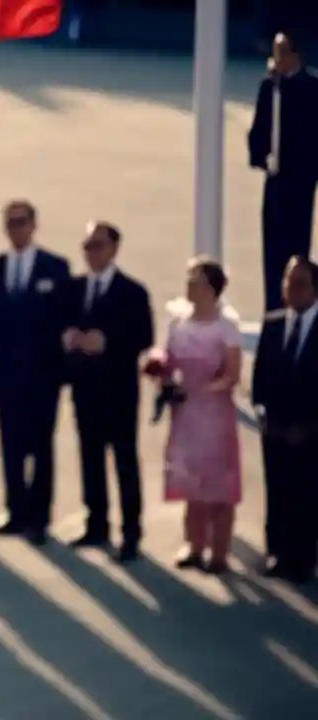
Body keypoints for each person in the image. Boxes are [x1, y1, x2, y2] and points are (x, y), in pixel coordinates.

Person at [0, 200, 70, 545]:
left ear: (34, 225)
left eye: (21, 222)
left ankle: (39, 517)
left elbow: (60, 317)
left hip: (43, 375)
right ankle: (15, 509)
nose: (16, 229)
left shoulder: (55, 267)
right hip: (6, 373)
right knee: (11, 445)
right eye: (10, 223)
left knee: (41, 446)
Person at [64, 222, 154, 563]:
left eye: (98, 245)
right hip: (85, 389)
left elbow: (143, 336)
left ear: (114, 248)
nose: (91, 252)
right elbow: (58, 322)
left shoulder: (132, 292)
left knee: (124, 460)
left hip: (118, 391)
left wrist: (107, 343)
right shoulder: (75, 288)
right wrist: (69, 337)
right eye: (87, 246)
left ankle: (131, 533)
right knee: (90, 459)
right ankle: (96, 523)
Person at [157, 259, 244, 574]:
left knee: (218, 486)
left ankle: (219, 552)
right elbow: (168, 363)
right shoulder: (178, 323)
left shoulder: (226, 327)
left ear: (211, 289)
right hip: (186, 415)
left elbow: (232, 375)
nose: (189, 286)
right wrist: (162, 377)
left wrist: (202, 390)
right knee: (191, 484)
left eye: (195, 281)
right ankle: (194, 545)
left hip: (214, 415)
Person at [252, 256, 318, 583]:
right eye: (287, 282)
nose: (290, 290)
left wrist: (307, 427)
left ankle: (304, 558)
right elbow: (260, 378)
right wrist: (263, 414)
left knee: (307, 494)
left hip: (310, 434)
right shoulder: (274, 323)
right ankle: (277, 551)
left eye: (299, 283)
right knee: (277, 490)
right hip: (276, 431)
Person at [248, 32, 318, 311]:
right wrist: (260, 157)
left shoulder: (312, 88)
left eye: (282, 53)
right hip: (275, 175)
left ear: (295, 56)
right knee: (272, 240)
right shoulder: (269, 87)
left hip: (301, 178)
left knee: (297, 241)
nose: (277, 59)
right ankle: (273, 305)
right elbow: (260, 128)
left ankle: (300, 301)